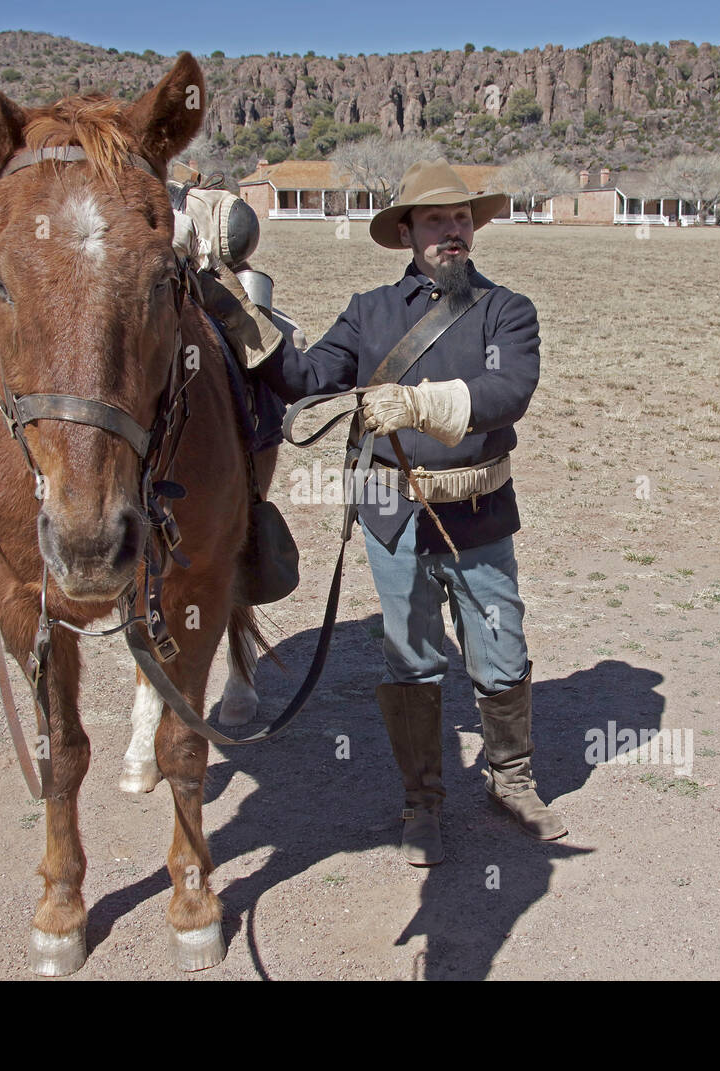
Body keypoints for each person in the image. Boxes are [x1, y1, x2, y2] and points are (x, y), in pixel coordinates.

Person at [251, 159, 568, 866]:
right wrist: (248, 322)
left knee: (502, 652)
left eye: (460, 219)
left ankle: (511, 780)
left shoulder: (506, 309)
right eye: (434, 220)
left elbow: (509, 390)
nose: (450, 231)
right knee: (413, 659)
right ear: (407, 233)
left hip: (479, 510)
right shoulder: (369, 311)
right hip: (391, 511)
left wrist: (420, 404)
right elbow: (305, 378)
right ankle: (422, 798)